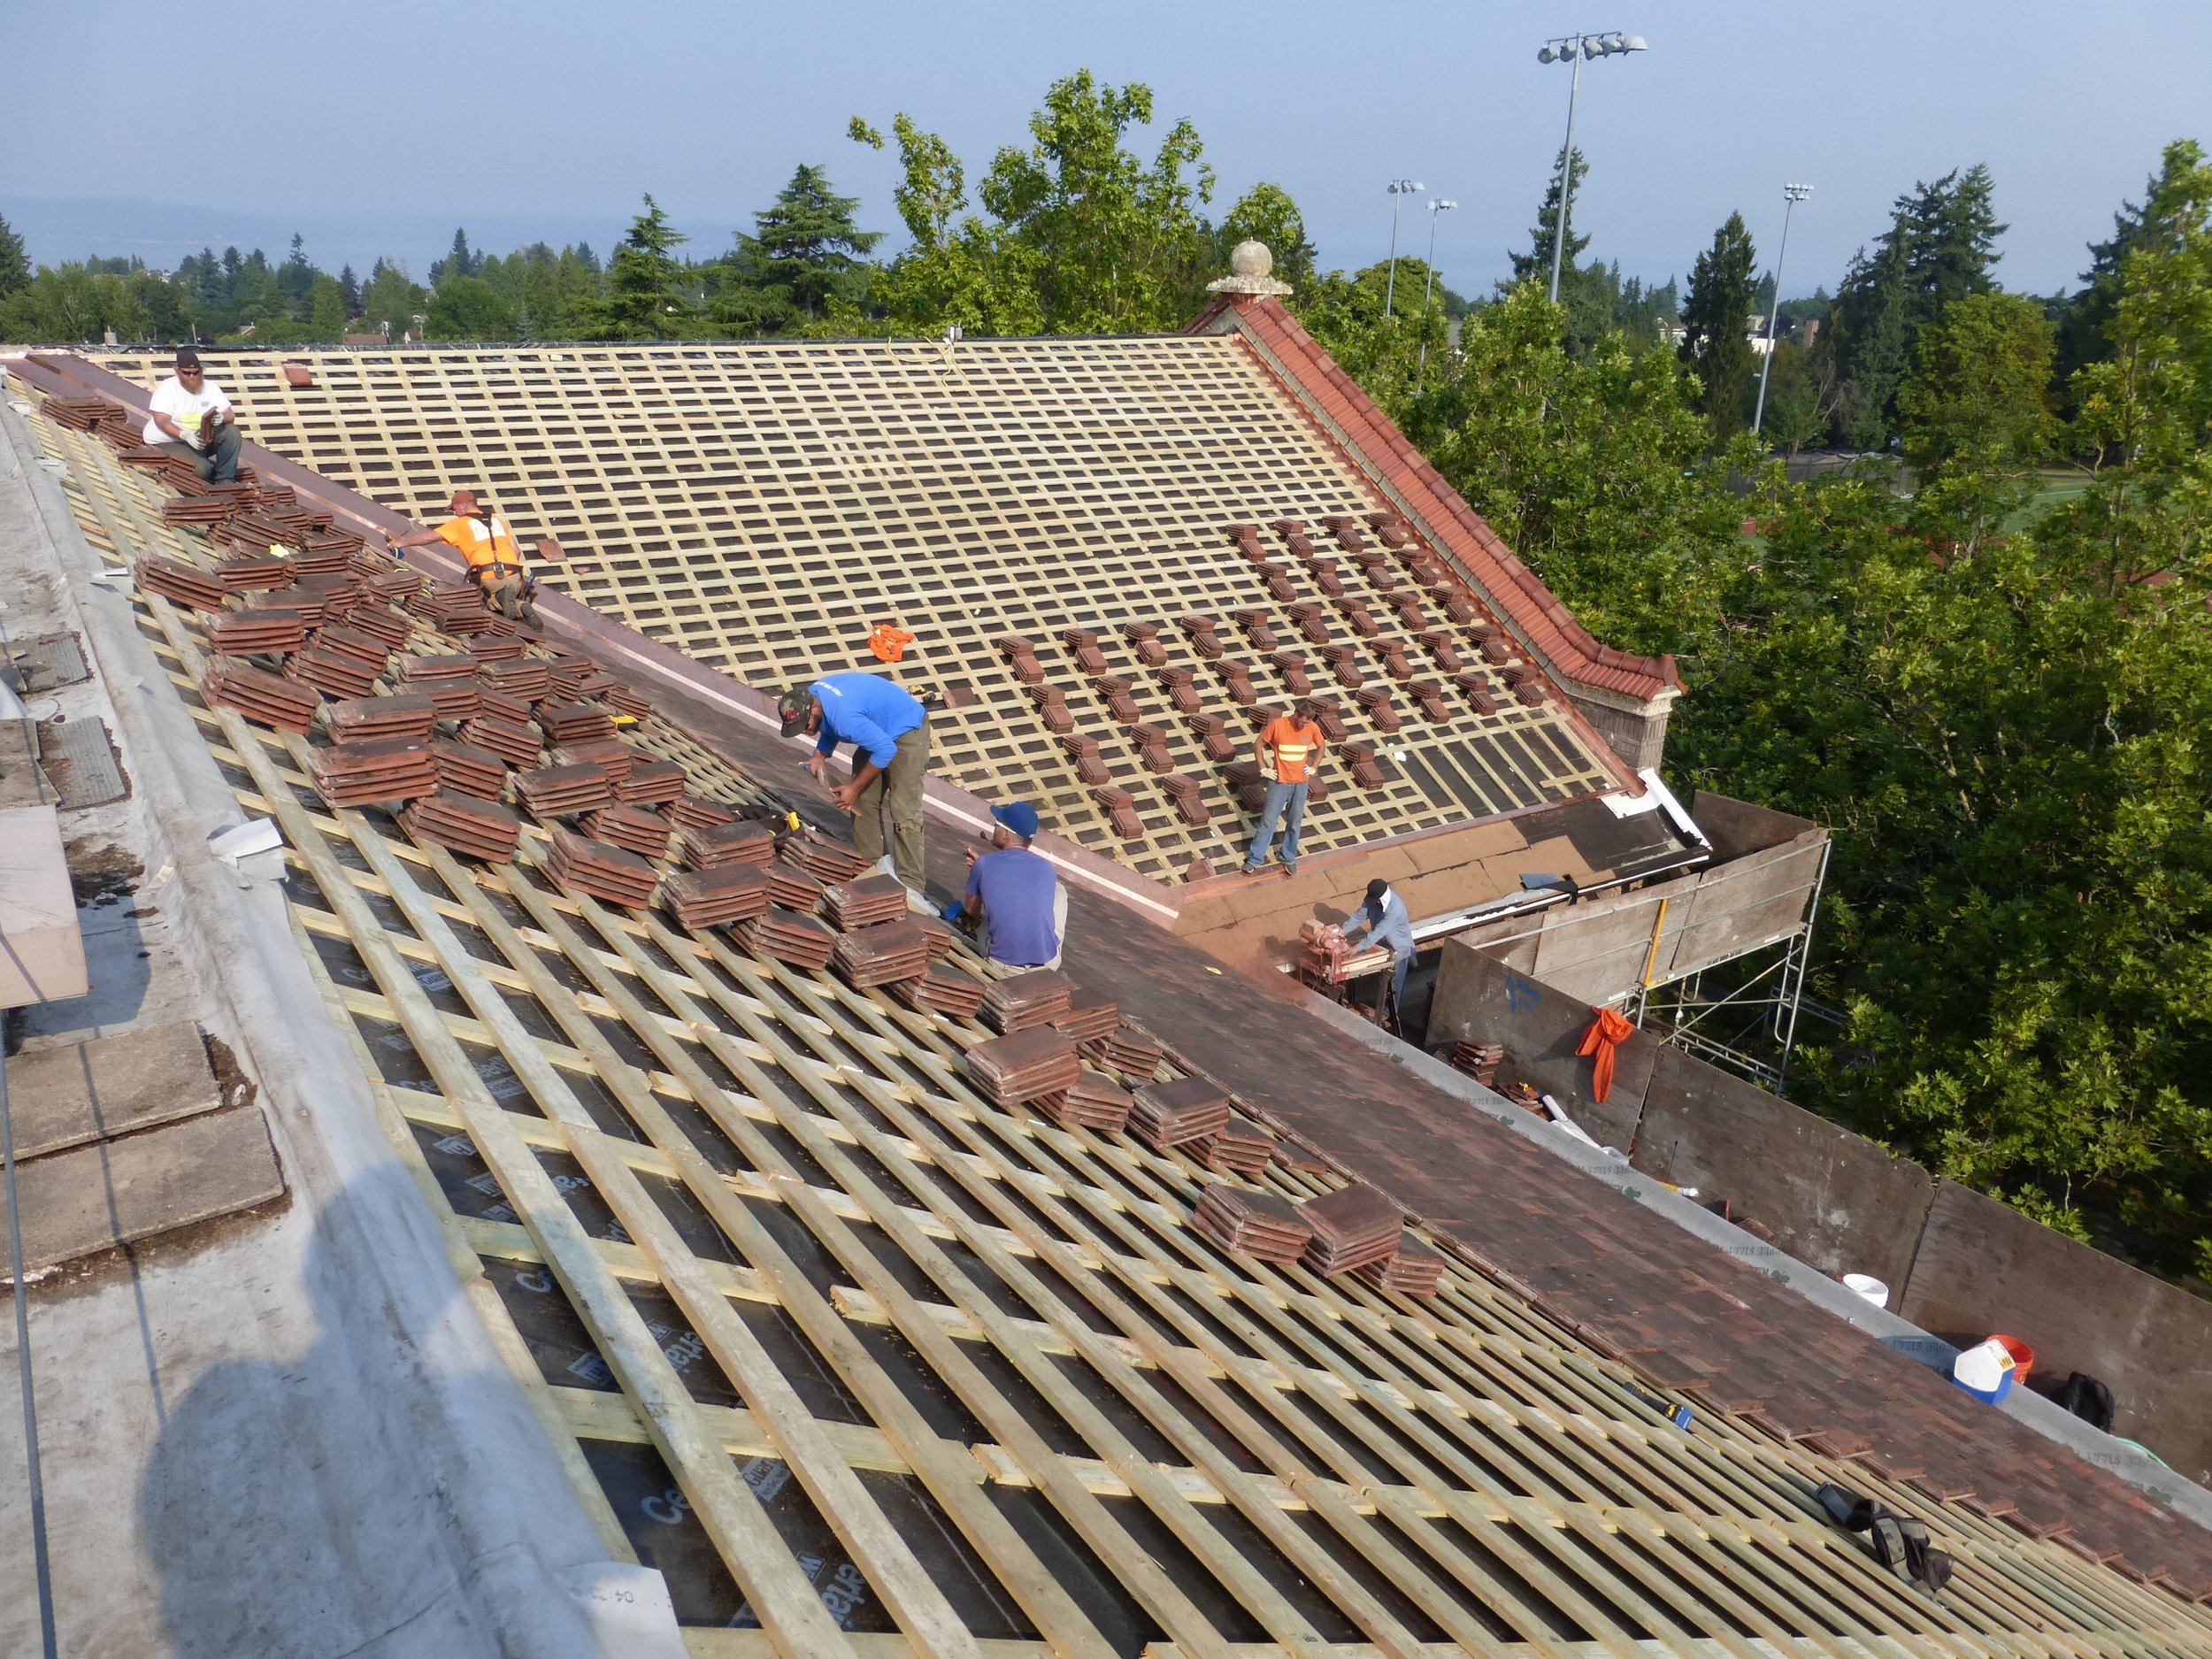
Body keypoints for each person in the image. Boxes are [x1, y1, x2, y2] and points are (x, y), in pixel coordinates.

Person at [778, 672, 931, 891]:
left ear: (813, 709)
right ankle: (873, 866)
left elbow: (886, 749)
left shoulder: (844, 718)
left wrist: (854, 788)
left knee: (903, 810)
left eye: (805, 725)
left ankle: (912, 885)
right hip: (877, 730)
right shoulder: (812, 697)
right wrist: (819, 755)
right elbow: (829, 725)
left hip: (907, 731)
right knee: (863, 802)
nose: (804, 731)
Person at [387, 490, 536, 624]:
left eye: (454, 508)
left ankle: (496, 598)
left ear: (464, 506)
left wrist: (402, 542)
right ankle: (519, 605)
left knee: (478, 599)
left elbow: (428, 538)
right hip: (515, 577)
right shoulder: (498, 521)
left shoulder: (459, 524)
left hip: (489, 577)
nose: (454, 512)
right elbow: (516, 551)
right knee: (506, 597)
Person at [958, 801, 1067, 971]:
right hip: (1046, 966)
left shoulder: (984, 866)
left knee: (989, 916)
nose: (993, 829)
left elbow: (971, 912)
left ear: (1005, 835)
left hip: (1004, 966)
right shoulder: (1047, 868)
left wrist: (980, 873)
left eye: (996, 825)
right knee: (1058, 889)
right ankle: (1047, 945)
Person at [1241, 699, 1328, 876]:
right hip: (1279, 782)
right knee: (1268, 821)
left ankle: (1288, 857)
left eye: (1308, 722)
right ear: (1296, 715)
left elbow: (1321, 746)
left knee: (1295, 822)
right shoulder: (1278, 725)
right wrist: (1263, 768)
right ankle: (1255, 859)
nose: (1305, 725)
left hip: (1300, 783)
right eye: (1303, 721)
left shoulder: (1311, 727)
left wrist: (1314, 767)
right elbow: (1258, 744)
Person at [142, 349, 241, 483]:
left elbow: (230, 414)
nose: (192, 377)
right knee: (202, 470)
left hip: (198, 440)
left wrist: (222, 417)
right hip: (169, 441)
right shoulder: (167, 388)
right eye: (186, 373)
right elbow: (161, 420)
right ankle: (206, 467)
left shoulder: (210, 388)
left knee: (231, 432)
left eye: (195, 373)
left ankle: (225, 480)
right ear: (177, 371)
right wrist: (183, 435)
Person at [1344, 877, 1417, 1017]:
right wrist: (1341, 931)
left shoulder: (1395, 908)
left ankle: (1389, 1015)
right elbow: (1359, 916)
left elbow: (1378, 932)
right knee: (1381, 980)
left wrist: (1355, 948)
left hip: (1398, 950)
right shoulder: (1372, 900)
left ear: (1381, 897)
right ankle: (1380, 1008)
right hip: (1382, 945)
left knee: (1393, 985)